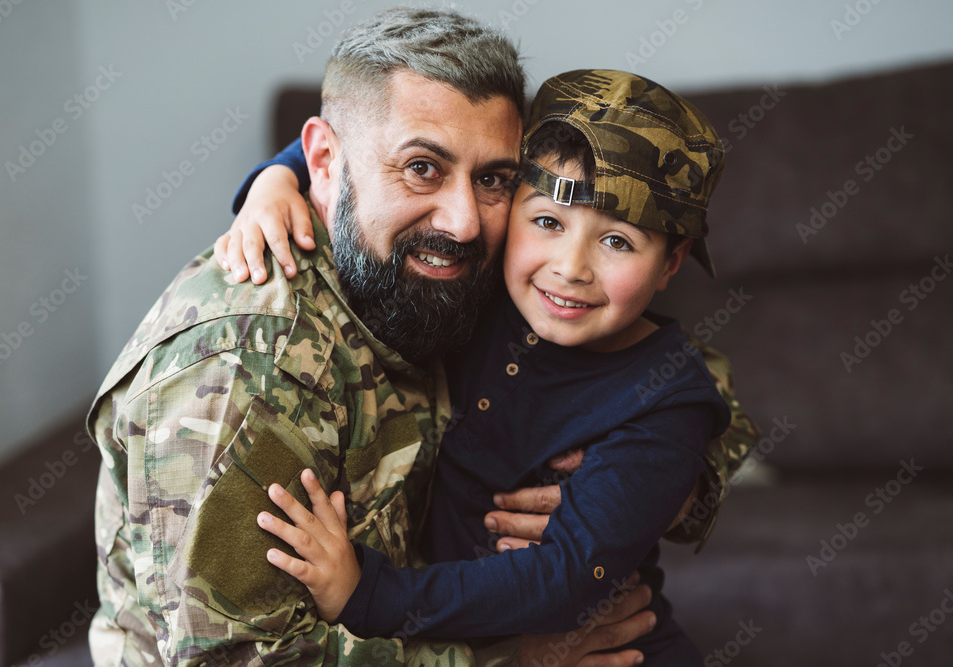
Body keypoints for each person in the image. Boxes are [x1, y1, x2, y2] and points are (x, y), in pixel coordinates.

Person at [87, 9, 699, 667]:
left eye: (492, 178)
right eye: (421, 169)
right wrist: (504, 660)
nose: (464, 222)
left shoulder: (478, 273)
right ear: (325, 160)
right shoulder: (247, 367)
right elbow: (231, 659)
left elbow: (673, 391)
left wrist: (666, 489)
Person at [230, 69, 739, 664]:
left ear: (672, 262)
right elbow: (368, 134)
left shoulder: (666, 399)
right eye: (548, 222)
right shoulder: (479, 275)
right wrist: (276, 178)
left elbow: (567, 579)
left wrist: (368, 594)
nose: (570, 267)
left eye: (618, 242)